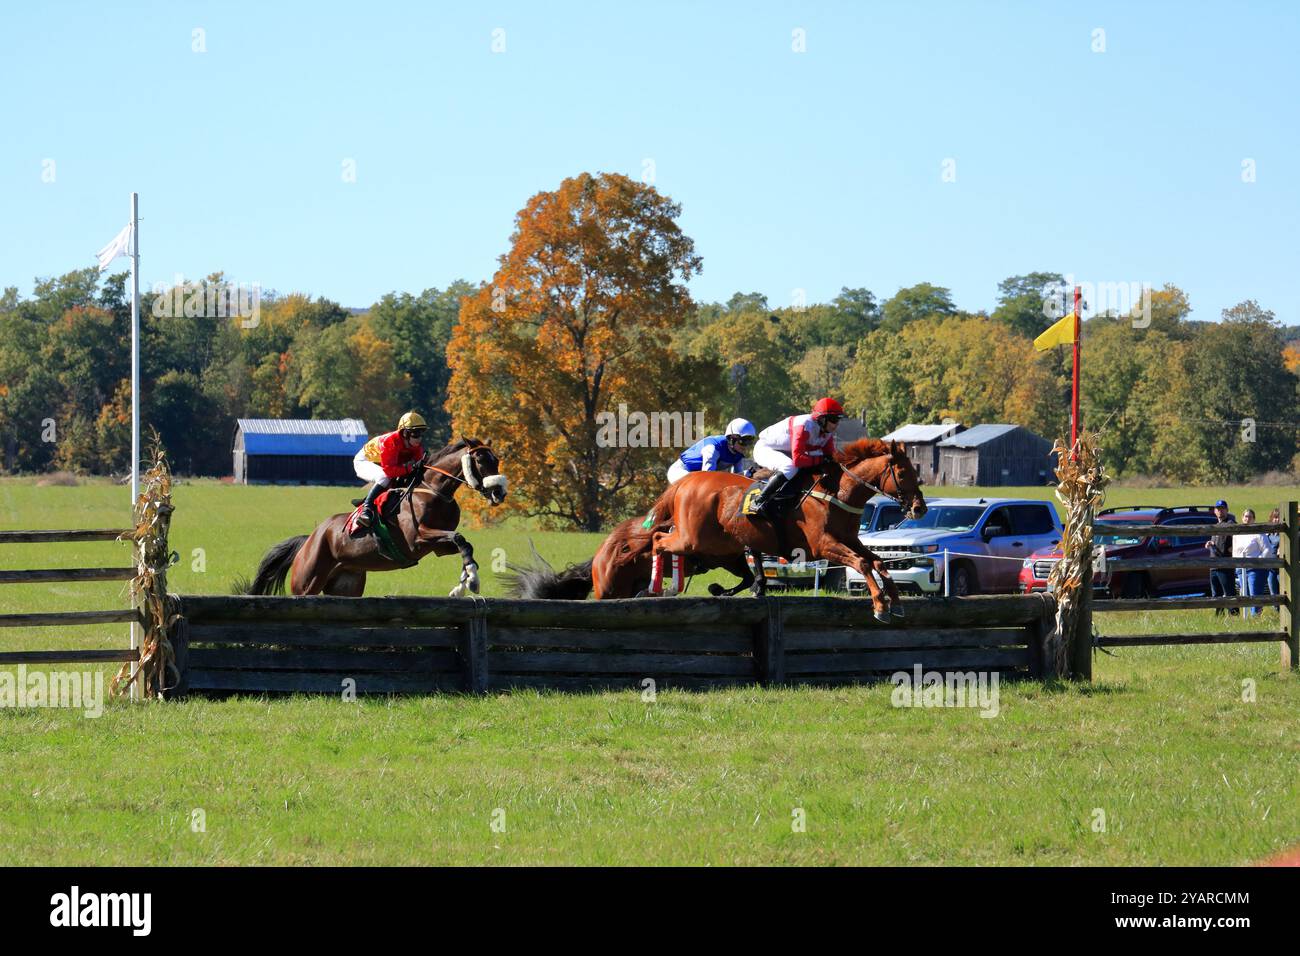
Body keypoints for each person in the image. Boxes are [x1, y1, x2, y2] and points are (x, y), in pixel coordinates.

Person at [748, 397, 844, 519]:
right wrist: (821, 459)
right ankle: (758, 501)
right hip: (765, 449)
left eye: (838, 420)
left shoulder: (827, 432)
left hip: (787, 453)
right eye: (834, 420)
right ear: (822, 419)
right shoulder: (803, 425)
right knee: (790, 466)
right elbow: (798, 460)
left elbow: (831, 457)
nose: (836, 424)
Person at [352, 412, 428, 529]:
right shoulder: (390, 442)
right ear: (405, 433)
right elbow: (390, 472)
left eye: (421, 434)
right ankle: (366, 509)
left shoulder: (416, 446)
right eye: (416, 434)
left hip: (385, 465)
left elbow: (418, 468)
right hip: (364, 462)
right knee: (384, 477)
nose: (419, 438)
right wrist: (410, 468)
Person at [667, 419, 757, 484]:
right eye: (743, 441)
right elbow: (708, 477)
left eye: (749, 442)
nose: (746, 446)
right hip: (681, 471)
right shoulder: (712, 449)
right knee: (698, 485)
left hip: (698, 476)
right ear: (731, 439)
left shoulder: (738, 453)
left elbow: (737, 479)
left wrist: (746, 474)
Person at [1205, 499, 1237, 615]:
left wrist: (1234, 547)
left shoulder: (1231, 524)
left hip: (1225, 565)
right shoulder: (1216, 525)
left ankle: (1234, 615)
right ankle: (1219, 616)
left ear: (1227, 510)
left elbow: (1238, 539)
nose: (1220, 511)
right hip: (1213, 565)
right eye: (1218, 509)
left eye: (1222, 509)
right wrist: (1210, 543)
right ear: (1215, 511)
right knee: (1216, 594)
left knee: (1229, 593)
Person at [1234, 509, 1268, 617]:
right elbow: (1235, 551)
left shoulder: (1258, 533)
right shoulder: (1238, 534)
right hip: (1241, 568)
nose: (1247, 519)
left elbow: (1267, 550)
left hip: (1255, 569)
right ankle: (1246, 618)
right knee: (1244, 593)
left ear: (1254, 519)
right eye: (1245, 516)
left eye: (1250, 517)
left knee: (1255, 593)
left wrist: (1257, 561)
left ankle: (1255, 617)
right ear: (1242, 518)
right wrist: (1236, 565)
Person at [1266, 508, 1281, 601]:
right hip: (1270, 567)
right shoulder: (1268, 534)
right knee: (1273, 591)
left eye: (1278, 518)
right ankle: (1277, 610)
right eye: (1275, 517)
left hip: (1281, 566)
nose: (1276, 520)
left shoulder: (1284, 533)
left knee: (1283, 589)